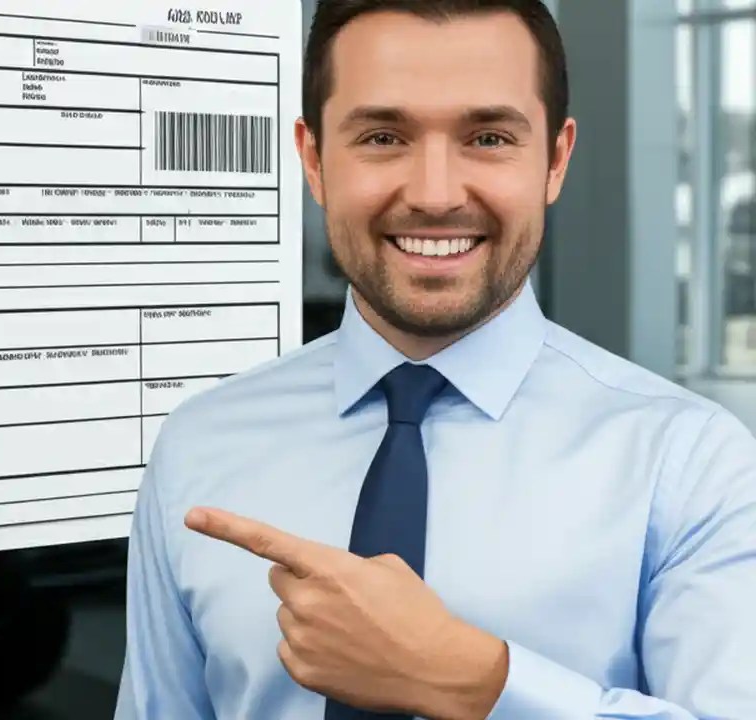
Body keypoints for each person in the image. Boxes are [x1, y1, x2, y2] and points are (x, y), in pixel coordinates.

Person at [114, 0, 756, 718]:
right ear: (314, 160)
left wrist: (475, 682)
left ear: (556, 160)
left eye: (487, 137)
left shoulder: (690, 464)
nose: (435, 195)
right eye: (384, 136)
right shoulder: (200, 446)